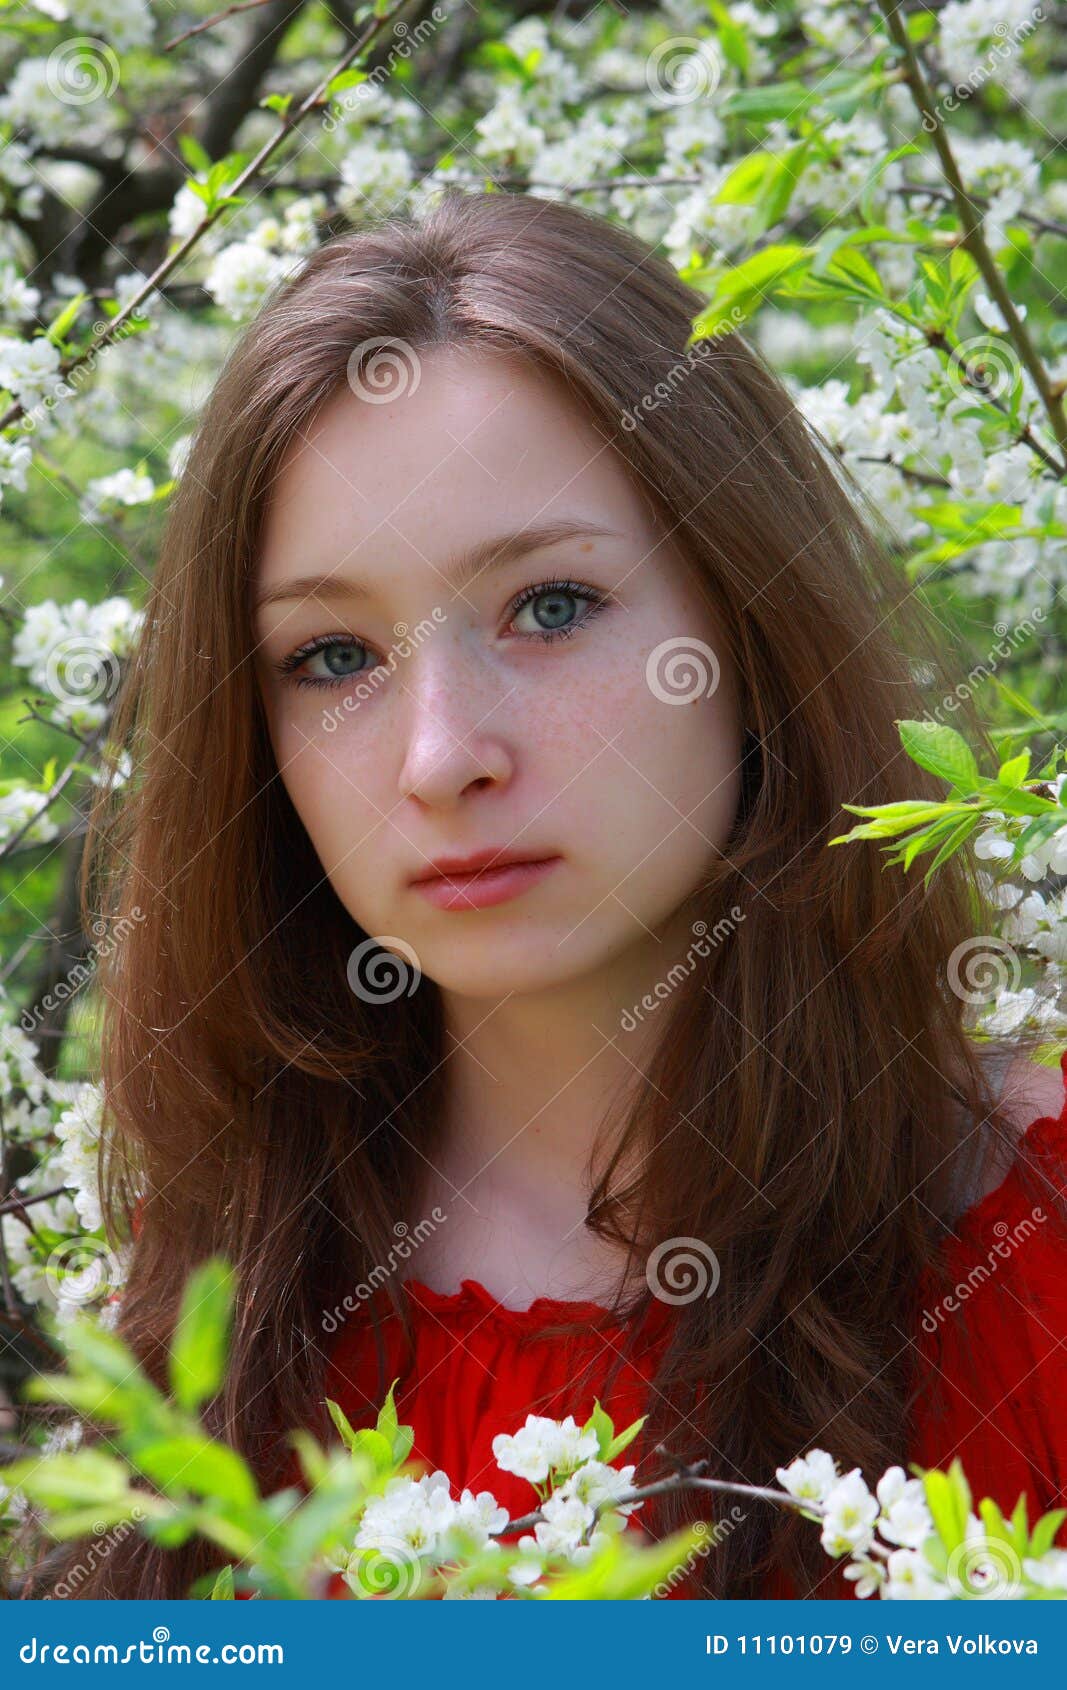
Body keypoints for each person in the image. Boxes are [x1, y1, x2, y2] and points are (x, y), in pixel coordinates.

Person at [35, 189, 1067, 1600]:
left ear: (750, 619)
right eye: (333, 657)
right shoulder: (223, 1298)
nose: (442, 755)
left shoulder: (1030, 1252)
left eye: (553, 606)